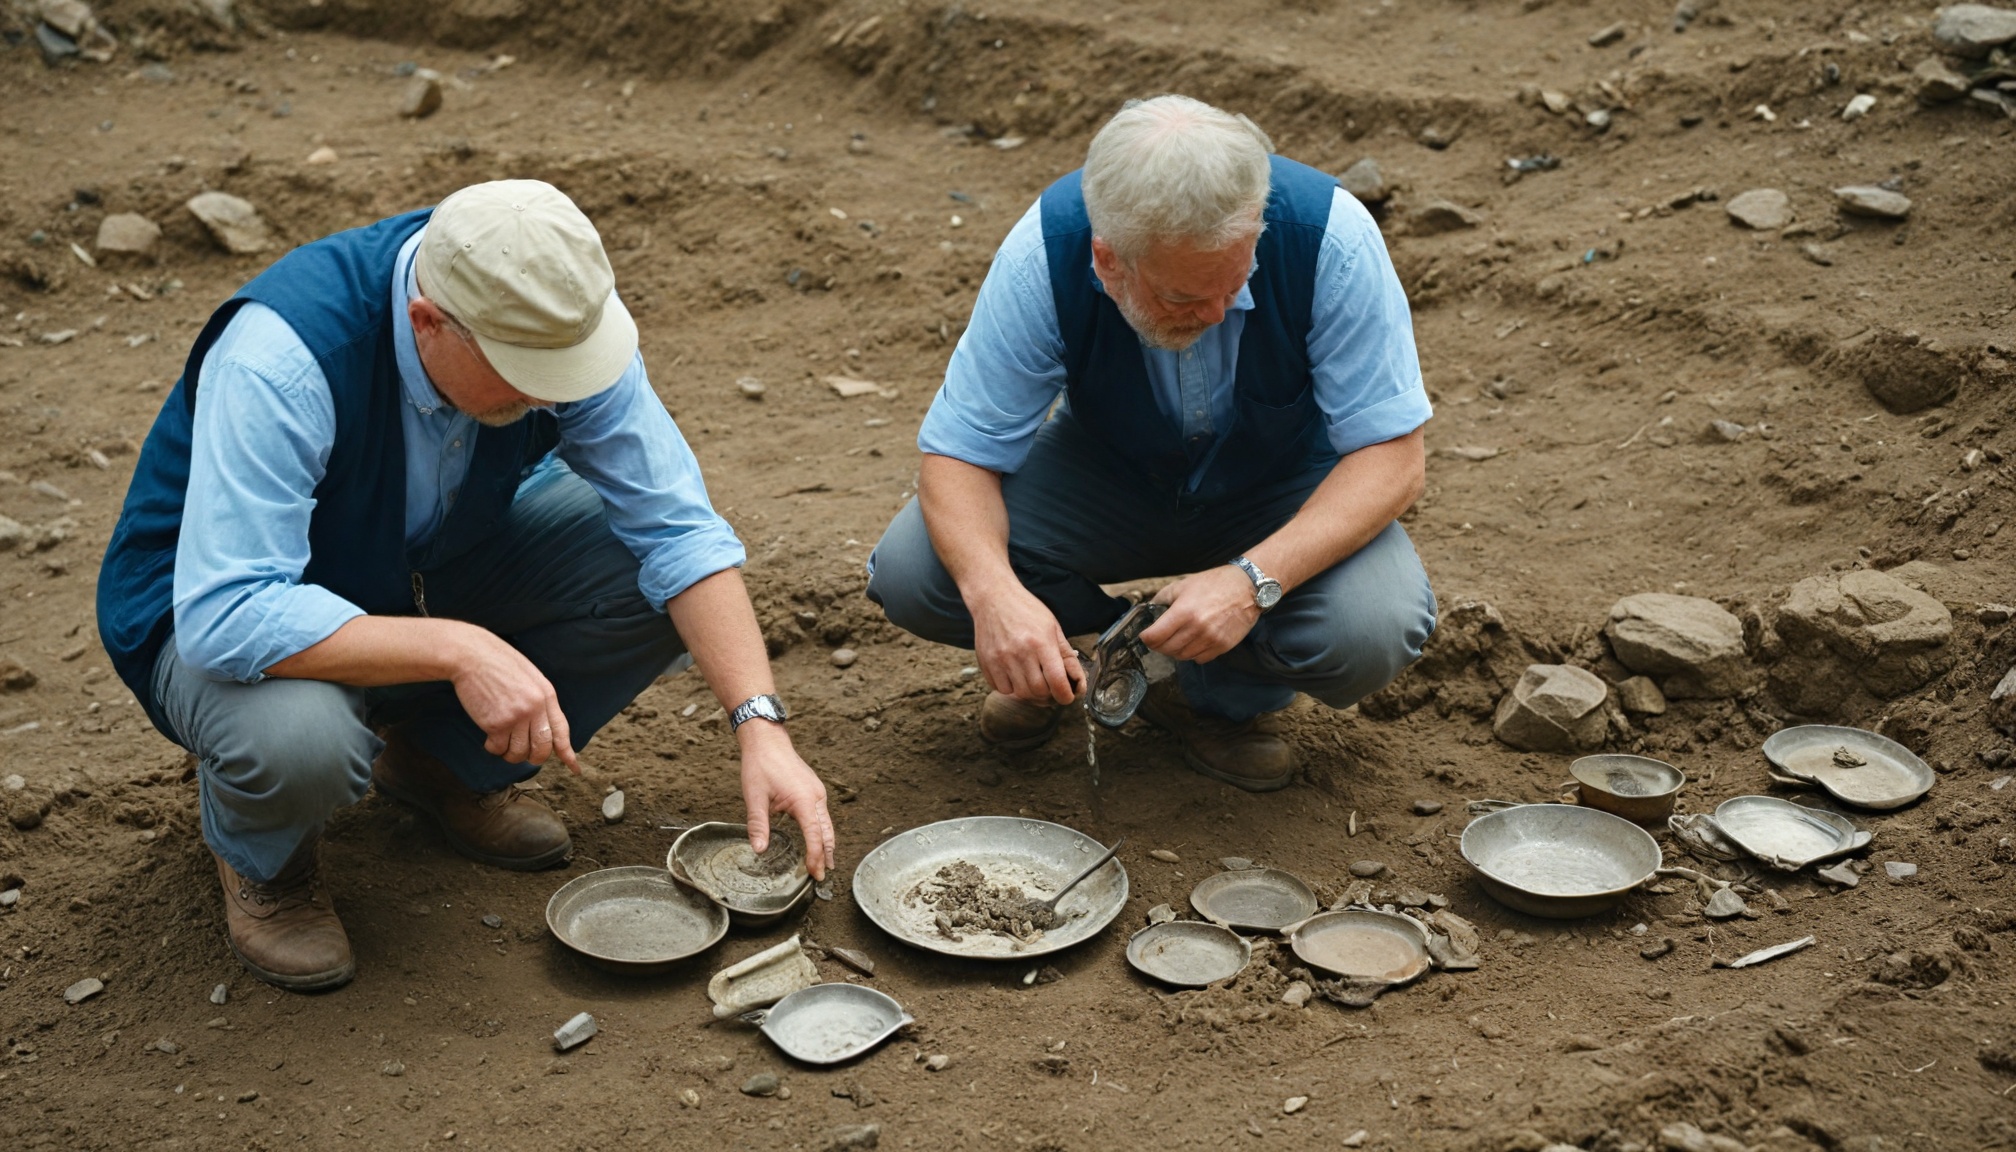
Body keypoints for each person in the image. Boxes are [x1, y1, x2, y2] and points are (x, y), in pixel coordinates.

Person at [98, 180, 834, 991]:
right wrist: (460, 648)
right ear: (429, 324)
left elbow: (679, 531)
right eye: (524, 376)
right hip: (219, 614)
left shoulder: (548, 302)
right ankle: (267, 865)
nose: (553, 394)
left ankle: (438, 767)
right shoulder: (283, 360)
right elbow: (228, 611)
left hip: (418, 561)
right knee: (299, 740)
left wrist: (760, 727)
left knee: (646, 572)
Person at [866, 95, 1438, 792]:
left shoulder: (1329, 237)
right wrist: (996, 600)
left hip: (1280, 485)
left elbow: (1394, 458)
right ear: (1108, 262)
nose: (1220, 311)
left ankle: (1219, 696)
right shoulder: (1046, 253)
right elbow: (958, 457)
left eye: (1237, 282)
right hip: (1112, 471)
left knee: (1372, 625)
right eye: (1183, 298)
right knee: (914, 570)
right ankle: (1078, 661)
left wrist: (1251, 583)